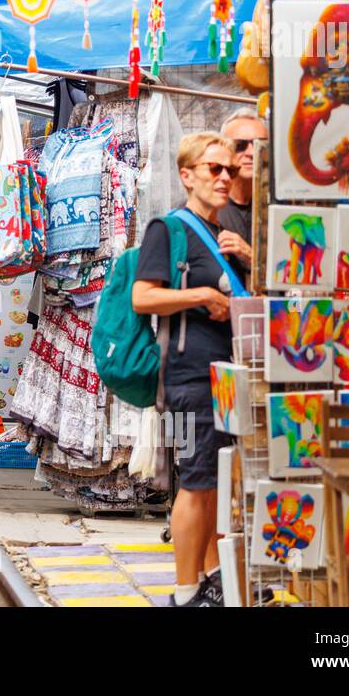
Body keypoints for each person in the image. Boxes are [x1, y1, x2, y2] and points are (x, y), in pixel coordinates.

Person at [131, 132, 245, 608]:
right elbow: (143, 296)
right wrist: (202, 296)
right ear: (187, 175)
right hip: (184, 379)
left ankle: (210, 575)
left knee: (214, 480)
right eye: (214, 169)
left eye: (230, 170)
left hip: (224, 376)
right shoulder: (170, 229)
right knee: (195, 479)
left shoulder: (223, 235)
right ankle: (185, 591)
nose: (224, 177)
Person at [217, 108, 267, 267]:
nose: (252, 152)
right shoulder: (205, 208)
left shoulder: (278, 210)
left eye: (260, 144)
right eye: (239, 145)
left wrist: (251, 256)